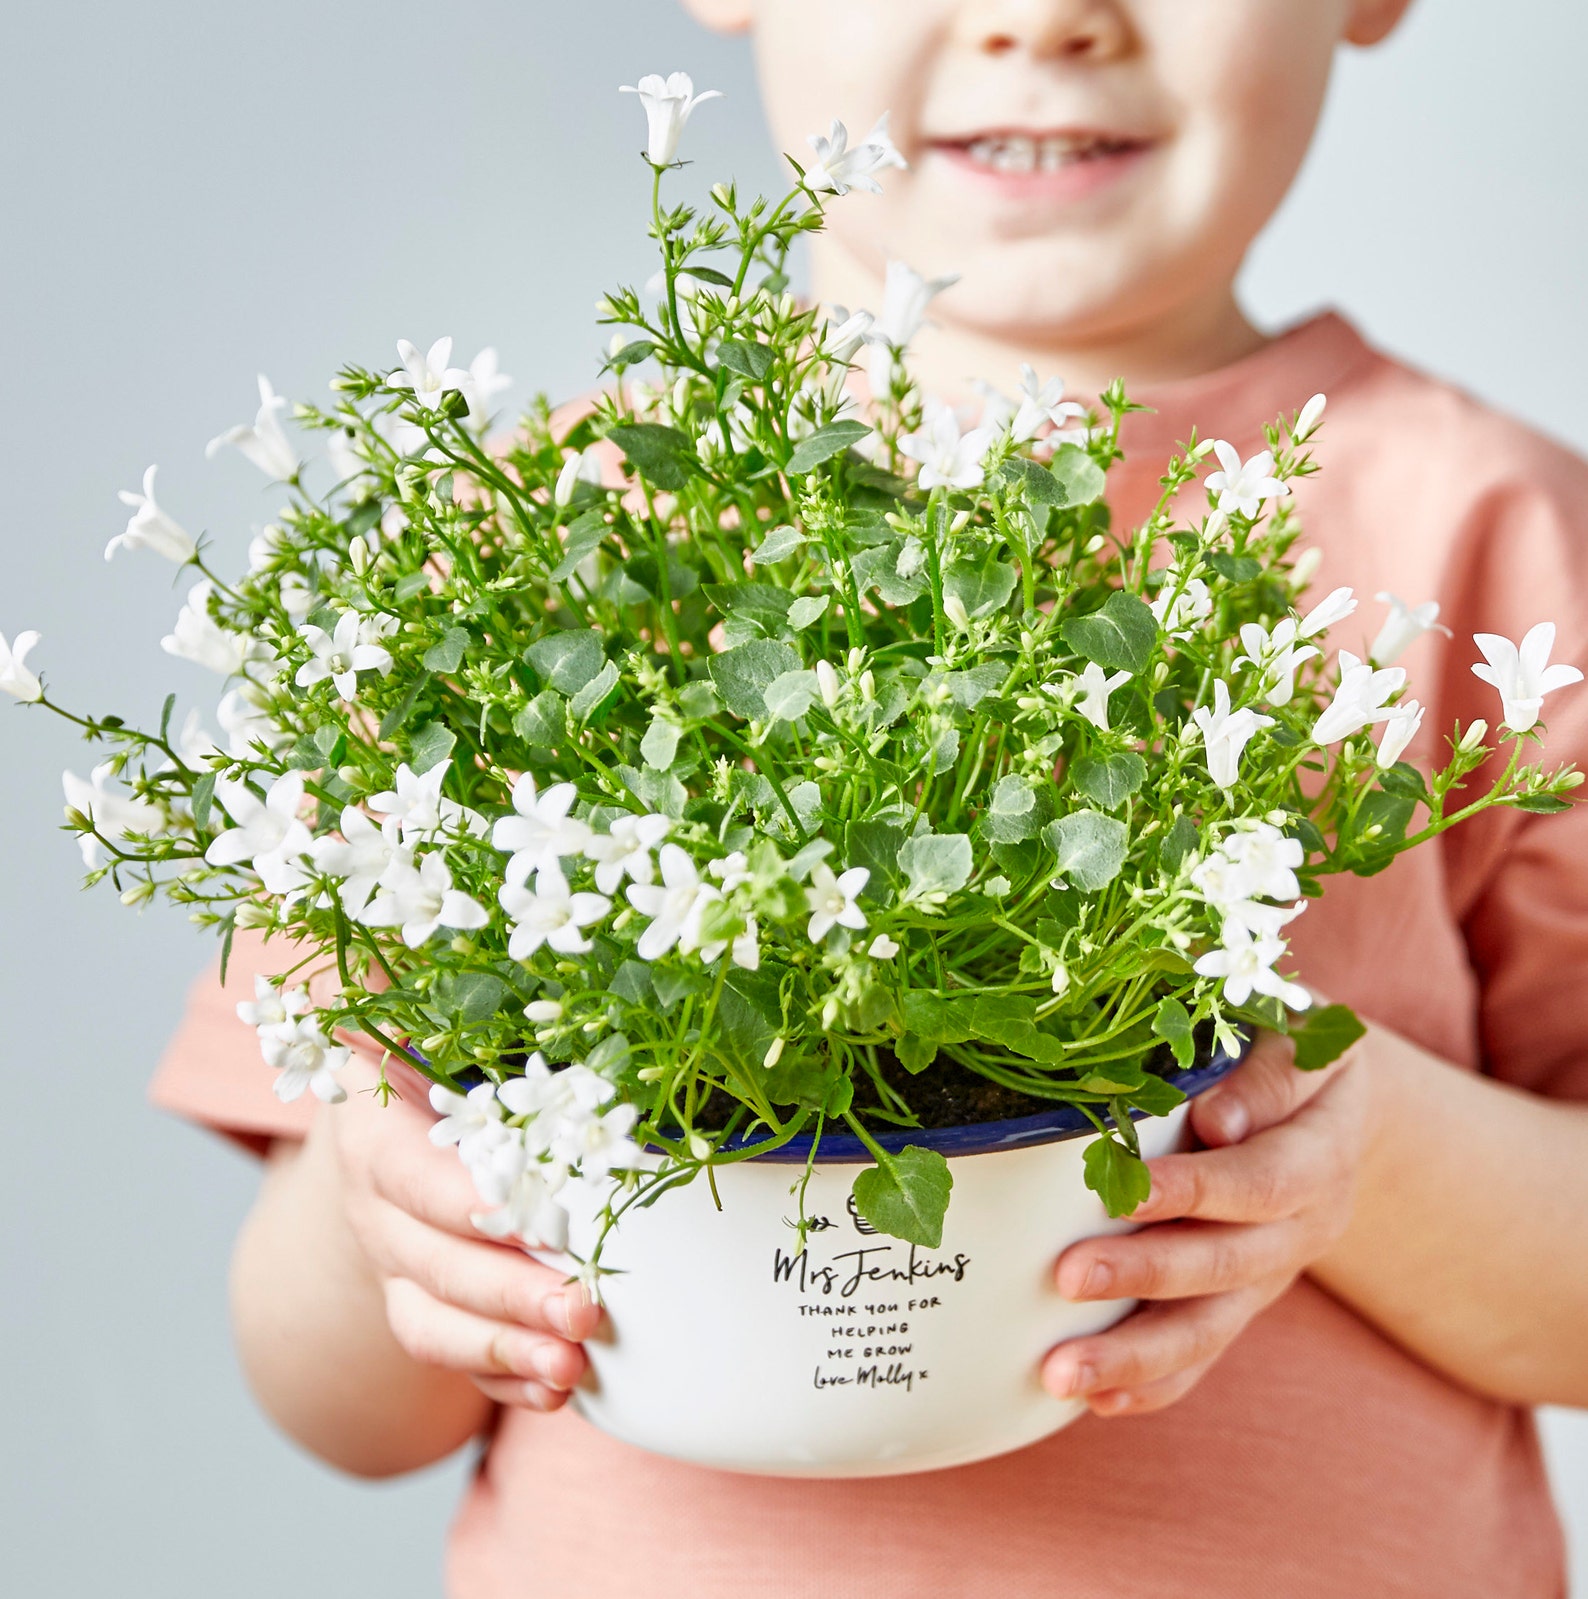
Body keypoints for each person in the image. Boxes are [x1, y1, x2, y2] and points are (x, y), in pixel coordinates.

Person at [153, 2, 1588, 1594]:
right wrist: (399, 1207)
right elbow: (347, 1409)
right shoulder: (517, 567)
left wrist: (1356, 1152)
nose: (1046, 18)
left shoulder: (1500, 533)